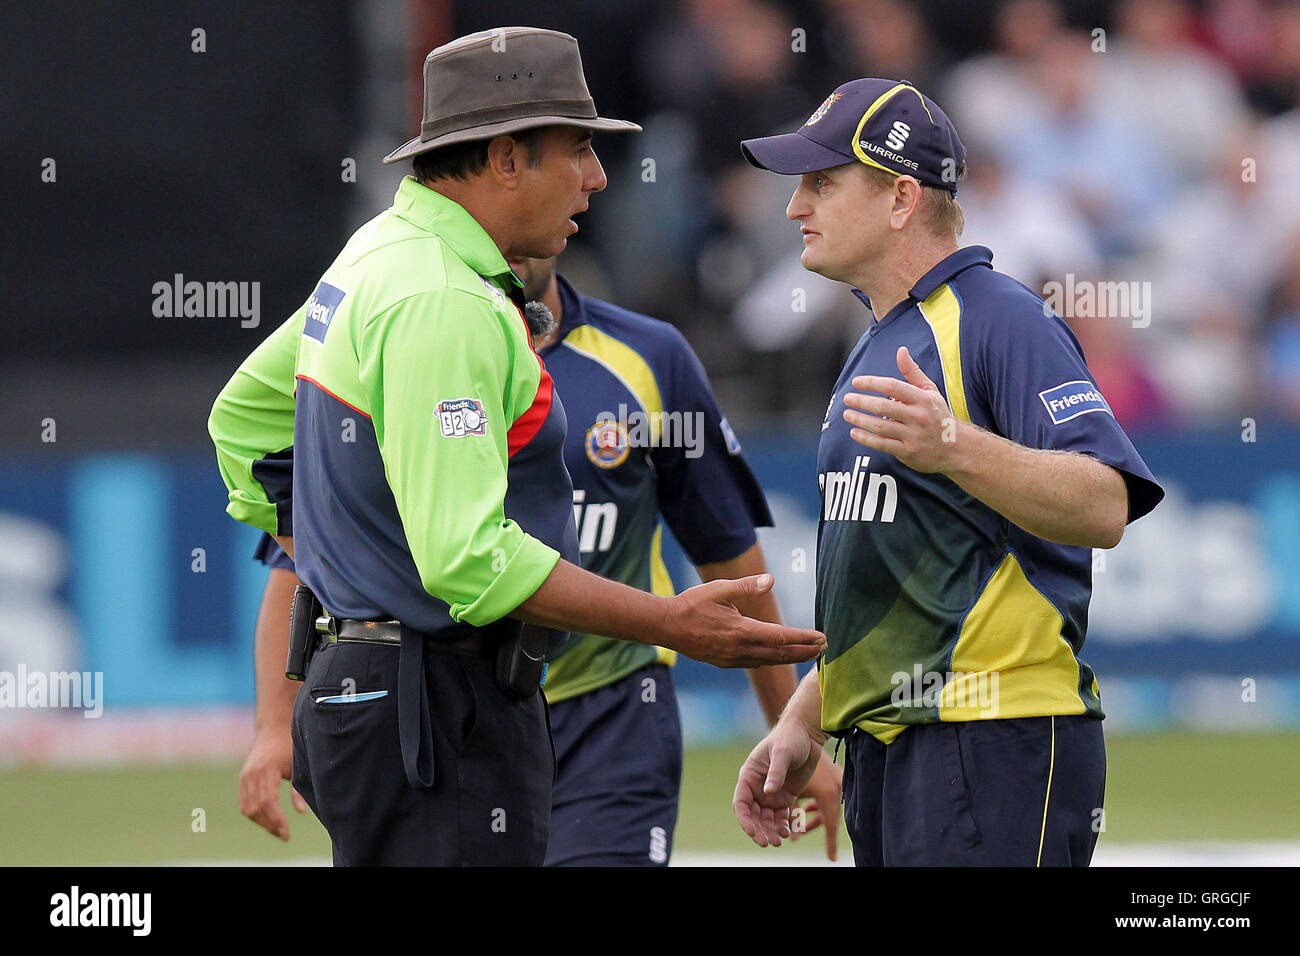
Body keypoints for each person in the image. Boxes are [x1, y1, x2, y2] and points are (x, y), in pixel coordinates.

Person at [209, 27, 825, 867]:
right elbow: (468, 562)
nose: (599, 179)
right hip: (437, 704)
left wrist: (348, 576)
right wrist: (670, 624)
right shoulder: (444, 300)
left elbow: (241, 418)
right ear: (505, 158)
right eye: (578, 150)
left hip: (384, 694)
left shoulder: (379, 253)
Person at [237, 256, 844, 864]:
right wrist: (270, 729)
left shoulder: (649, 357)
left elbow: (728, 554)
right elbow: (302, 560)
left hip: (612, 716)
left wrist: (793, 730)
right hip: (454, 709)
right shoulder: (406, 347)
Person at [730, 78, 1165, 866]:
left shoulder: (1001, 316)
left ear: (901, 197)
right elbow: (899, 581)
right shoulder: (877, 339)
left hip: (993, 741)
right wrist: (805, 714)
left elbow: (1105, 503)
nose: (796, 208)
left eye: (822, 183)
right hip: (892, 751)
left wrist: (957, 447)